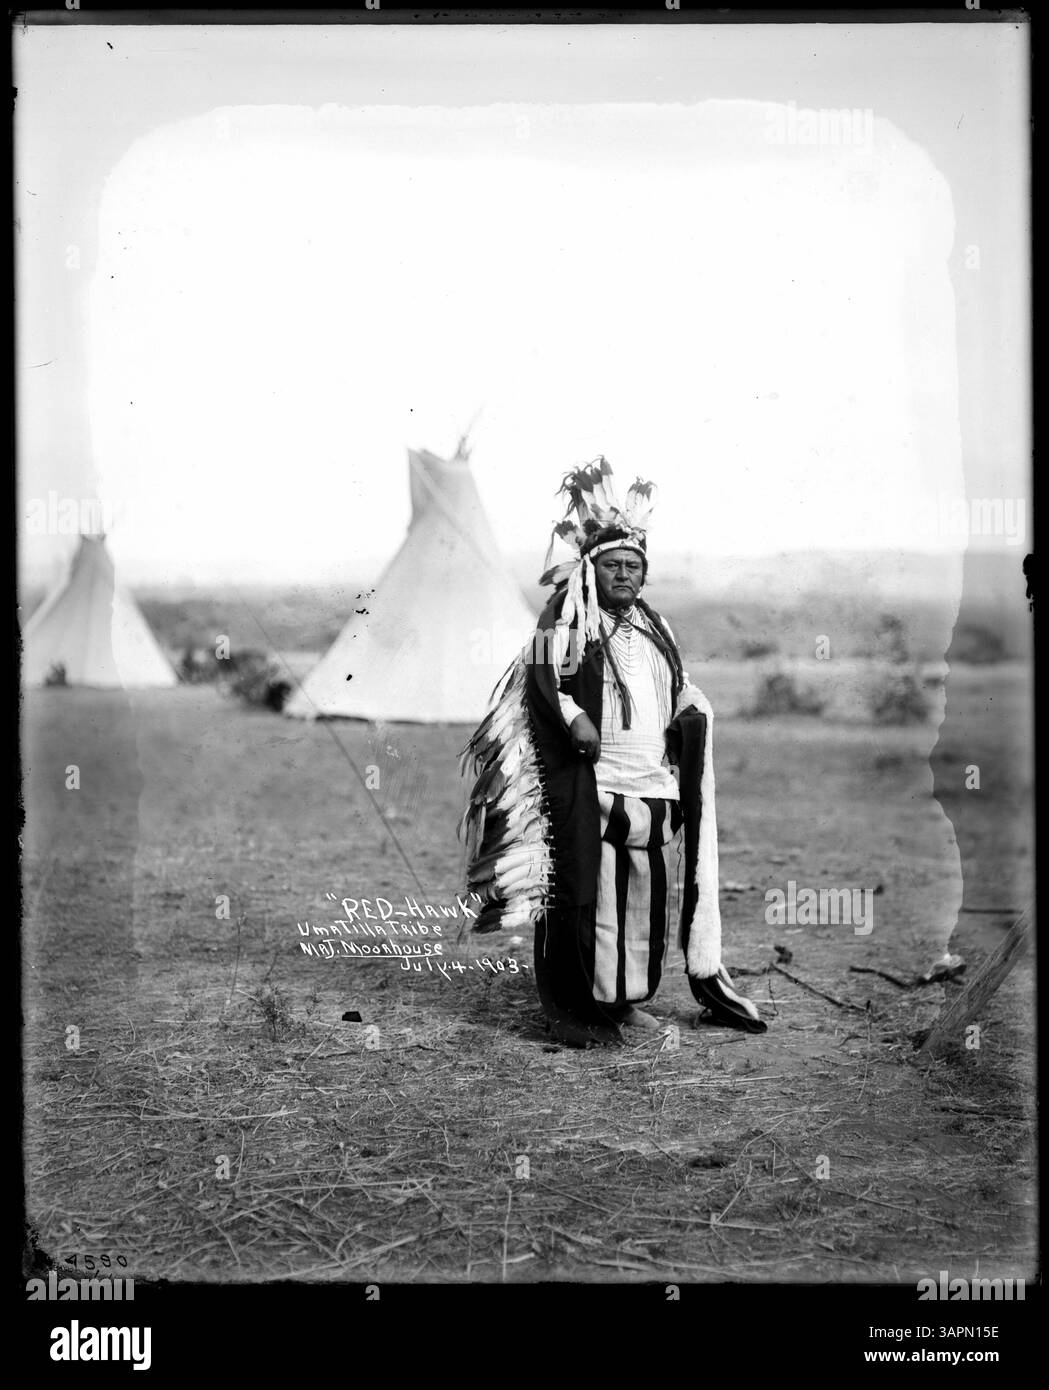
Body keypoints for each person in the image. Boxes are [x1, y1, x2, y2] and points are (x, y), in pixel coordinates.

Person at [459, 459, 765, 1046]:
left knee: (644, 898)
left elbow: (678, 686)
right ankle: (592, 1002)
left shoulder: (657, 628)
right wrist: (575, 717)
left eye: (633, 566)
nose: (624, 574)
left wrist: (694, 708)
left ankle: (629, 999)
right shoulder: (574, 623)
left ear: (644, 575)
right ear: (592, 569)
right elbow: (544, 679)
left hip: (652, 785)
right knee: (594, 898)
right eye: (613, 565)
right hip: (593, 786)